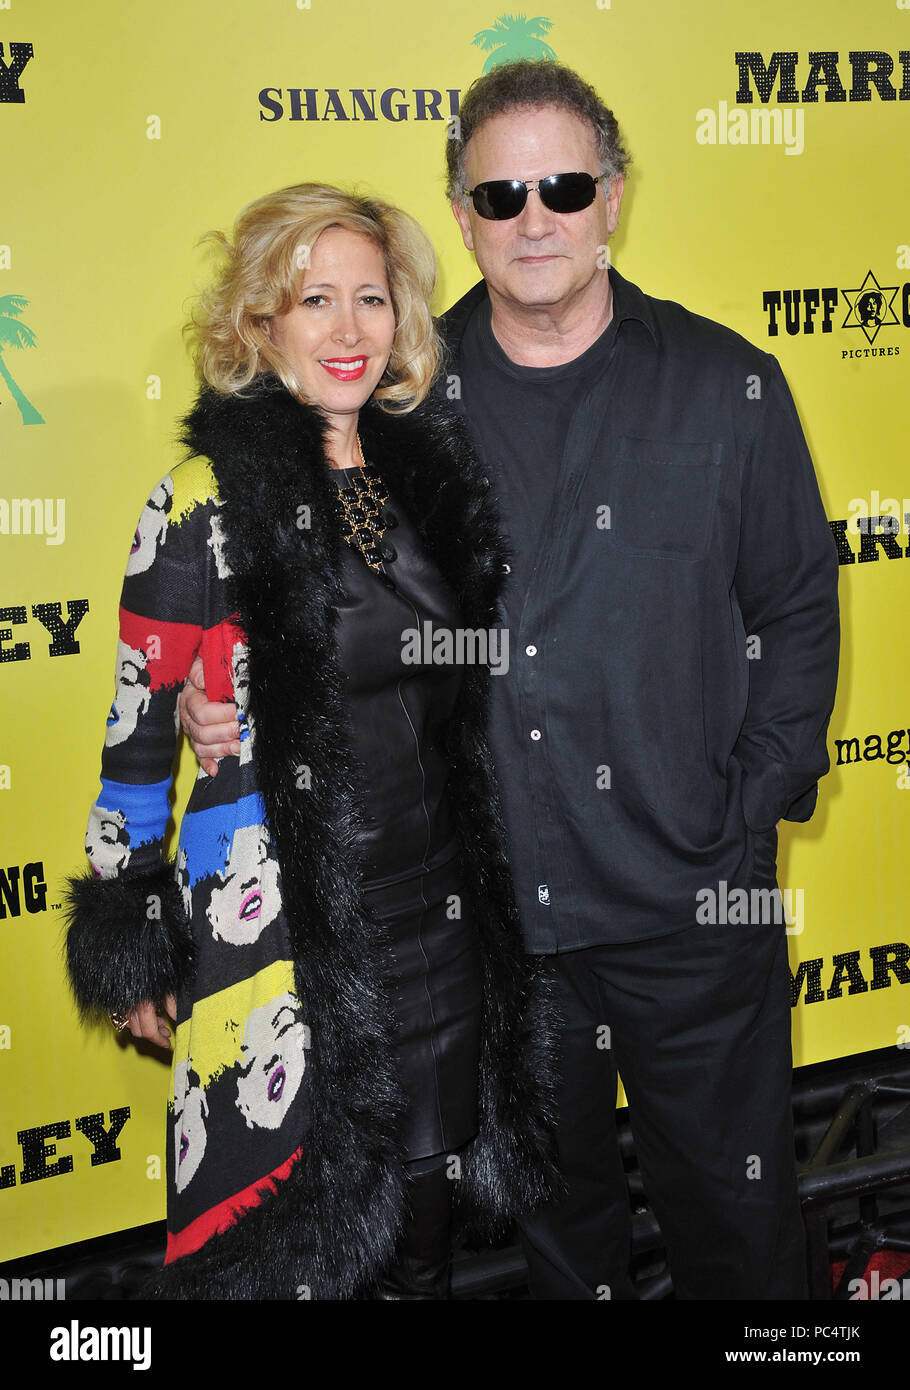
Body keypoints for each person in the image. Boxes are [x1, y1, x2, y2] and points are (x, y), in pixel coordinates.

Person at [181, 61, 841, 1301]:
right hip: (497, 931)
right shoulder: (397, 409)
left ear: (612, 197)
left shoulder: (726, 384)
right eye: (498, 194)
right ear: (463, 213)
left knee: (738, 1234)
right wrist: (214, 701)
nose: (533, 216)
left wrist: (748, 804)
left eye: (563, 183)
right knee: (559, 1249)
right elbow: (302, 608)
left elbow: (799, 607)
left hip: (692, 908)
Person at [63, 182, 557, 1301]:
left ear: (403, 318)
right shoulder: (199, 499)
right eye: (313, 300)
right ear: (259, 324)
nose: (347, 331)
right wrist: (133, 930)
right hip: (281, 923)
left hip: (440, 910)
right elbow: (138, 733)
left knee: (425, 1219)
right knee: (298, 1246)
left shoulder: (426, 475)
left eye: (370, 300)